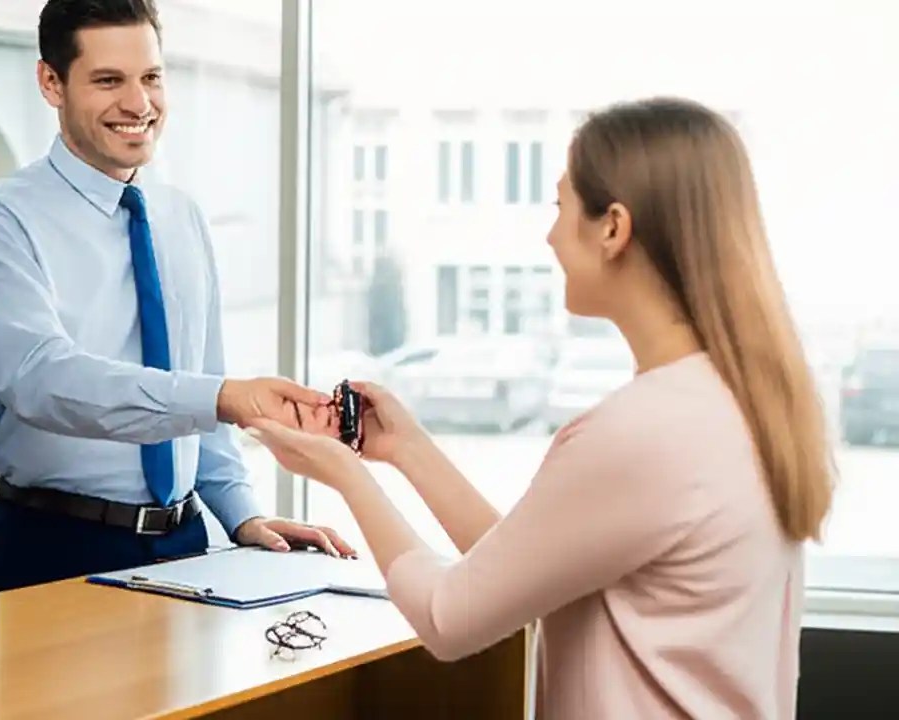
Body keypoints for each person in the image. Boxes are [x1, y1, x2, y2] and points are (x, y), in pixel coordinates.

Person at [247, 97, 835, 719]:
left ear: (613, 227)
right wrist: (407, 451)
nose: (550, 234)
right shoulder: (729, 404)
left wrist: (343, 474)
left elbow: (449, 618)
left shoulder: (641, 433)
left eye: (560, 207)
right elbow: (522, 564)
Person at [0, 0, 353, 595]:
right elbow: (38, 379)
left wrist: (241, 513)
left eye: (151, 77)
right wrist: (223, 398)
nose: (139, 104)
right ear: (51, 82)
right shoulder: (2, 220)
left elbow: (199, 385)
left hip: (187, 543)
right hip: (52, 545)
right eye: (109, 80)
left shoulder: (179, 215)